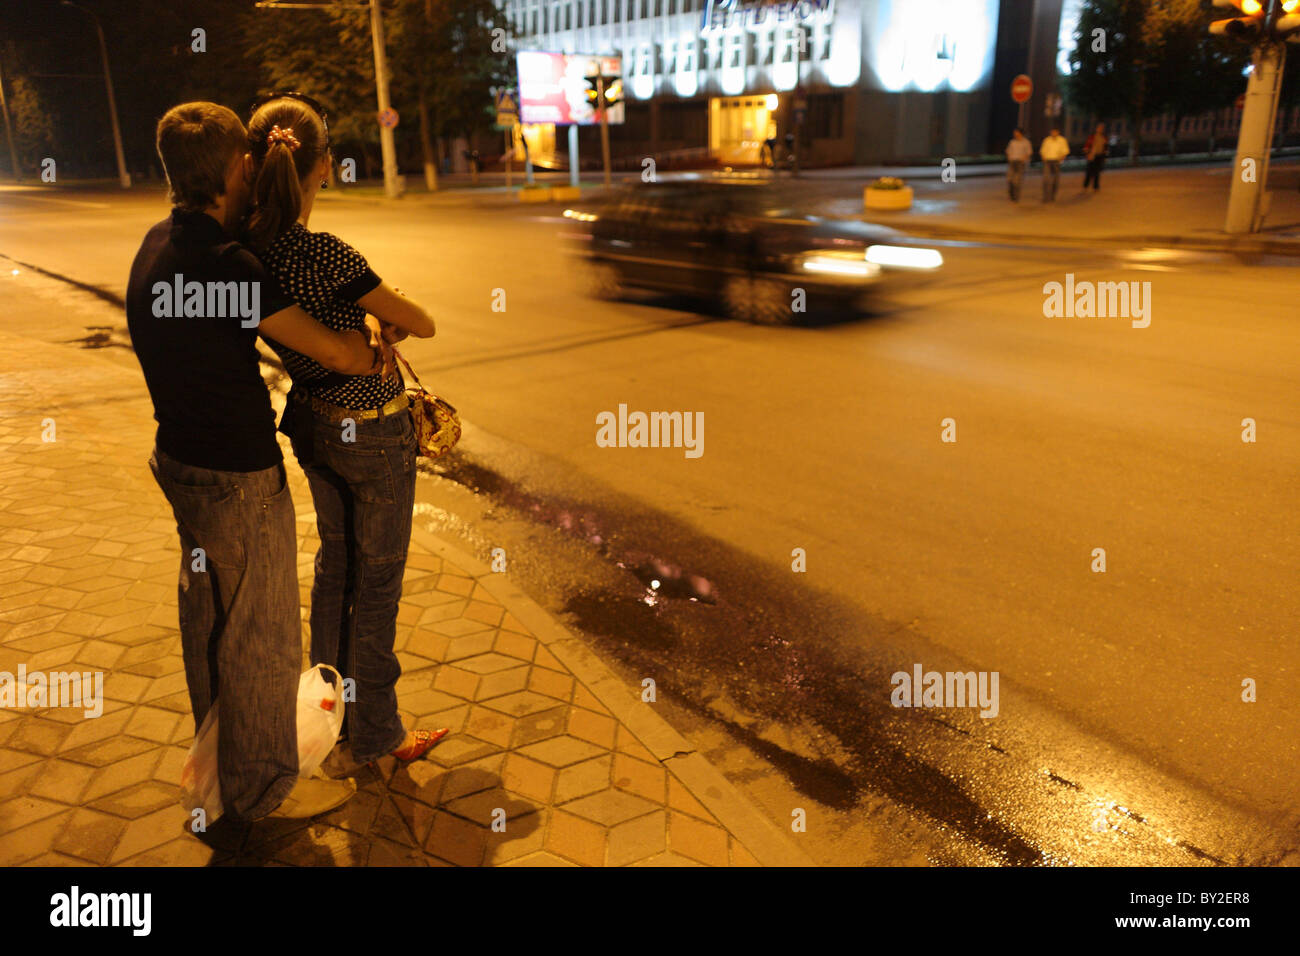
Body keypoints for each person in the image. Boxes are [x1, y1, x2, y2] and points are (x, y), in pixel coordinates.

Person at [126, 103, 383, 821]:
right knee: (263, 639)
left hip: (180, 463)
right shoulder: (226, 265)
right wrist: (372, 347)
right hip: (238, 477)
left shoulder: (157, 245)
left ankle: (217, 766)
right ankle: (258, 791)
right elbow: (330, 352)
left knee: (210, 625)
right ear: (240, 168)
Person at [244, 94, 446, 769]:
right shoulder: (325, 253)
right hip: (374, 434)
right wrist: (378, 324)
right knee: (377, 584)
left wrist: (359, 327)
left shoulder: (250, 250)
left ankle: (325, 723)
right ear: (323, 168)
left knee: (336, 570)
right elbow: (421, 321)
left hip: (311, 422)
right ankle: (378, 737)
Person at [1040, 128, 1070, 202]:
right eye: (1052, 132)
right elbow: (1042, 151)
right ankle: (1045, 197)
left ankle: (1053, 195)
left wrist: (1061, 159)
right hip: (1048, 161)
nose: (1053, 133)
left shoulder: (1062, 140)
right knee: (1046, 179)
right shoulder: (1047, 140)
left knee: (1055, 180)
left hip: (1056, 161)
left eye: (1055, 132)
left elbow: (1065, 151)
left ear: (1058, 132)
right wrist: (1043, 158)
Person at [1005, 128, 1032, 202]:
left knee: (1018, 180)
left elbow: (1029, 153)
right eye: (1014, 133)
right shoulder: (1012, 142)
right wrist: (1009, 158)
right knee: (1010, 179)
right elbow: (1008, 151)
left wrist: (1024, 159)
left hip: (1020, 162)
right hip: (1012, 162)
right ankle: (1011, 194)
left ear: (1020, 133)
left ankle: (1016, 197)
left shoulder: (1026, 142)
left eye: (1016, 132)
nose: (1015, 134)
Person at [1082, 123, 1108, 191]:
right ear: (1096, 129)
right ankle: (1085, 186)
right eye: (1099, 128)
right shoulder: (1092, 136)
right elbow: (1086, 146)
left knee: (1097, 172)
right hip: (1092, 156)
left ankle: (1096, 187)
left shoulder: (1104, 137)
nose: (1100, 129)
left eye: (1102, 128)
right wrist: (1087, 154)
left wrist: (1104, 157)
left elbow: (1105, 148)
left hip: (1099, 156)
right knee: (1089, 171)